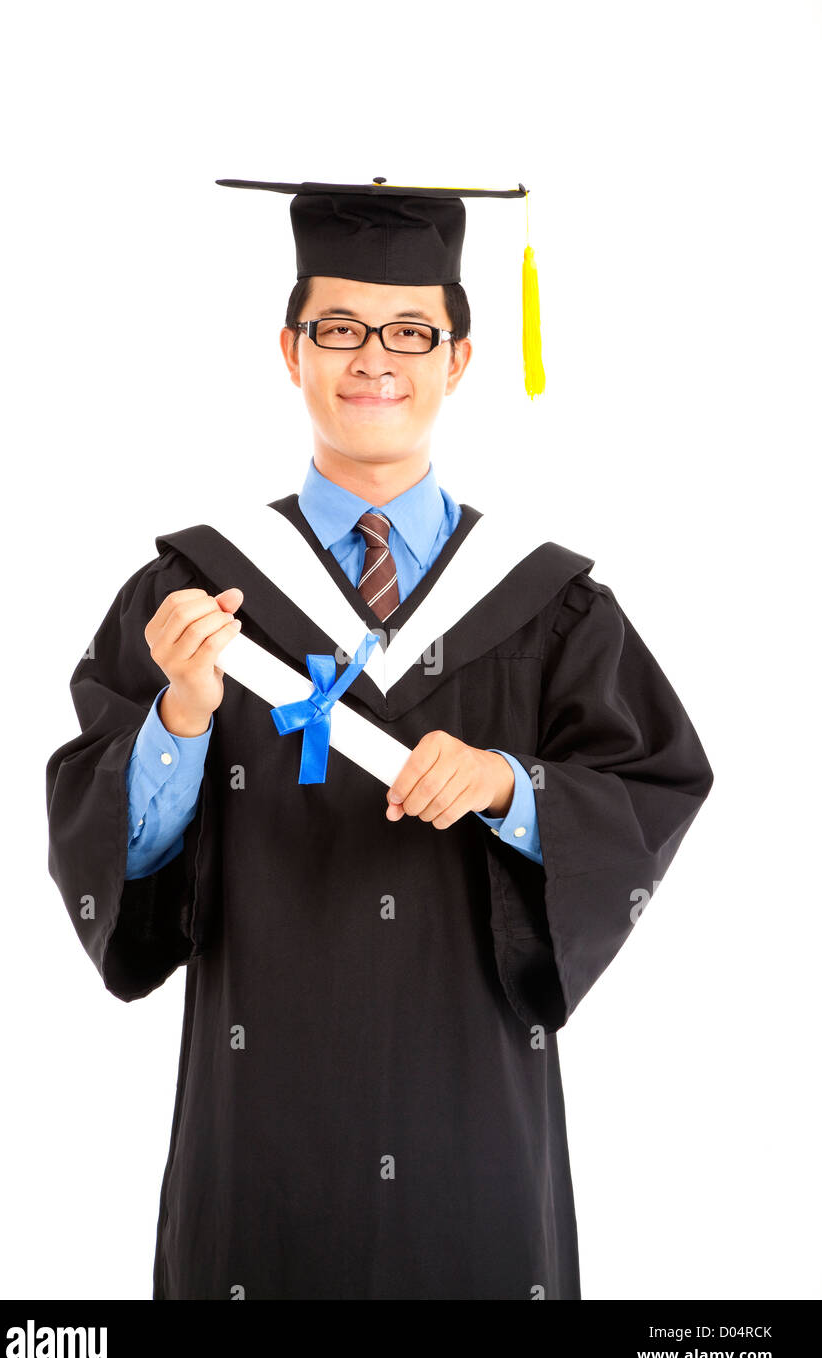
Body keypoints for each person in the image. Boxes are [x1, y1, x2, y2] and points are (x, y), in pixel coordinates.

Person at [46, 177, 714, 1300]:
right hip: (258, 1129)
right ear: (289, 348)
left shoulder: (552, 608)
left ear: (457, 358)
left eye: (409, 331)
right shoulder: (192, 593)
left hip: (474, 1124)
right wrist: (183, 714)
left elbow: (650, 781)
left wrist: (512, 783)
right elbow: (108, 855)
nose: (373, 360)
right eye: (339, 329)